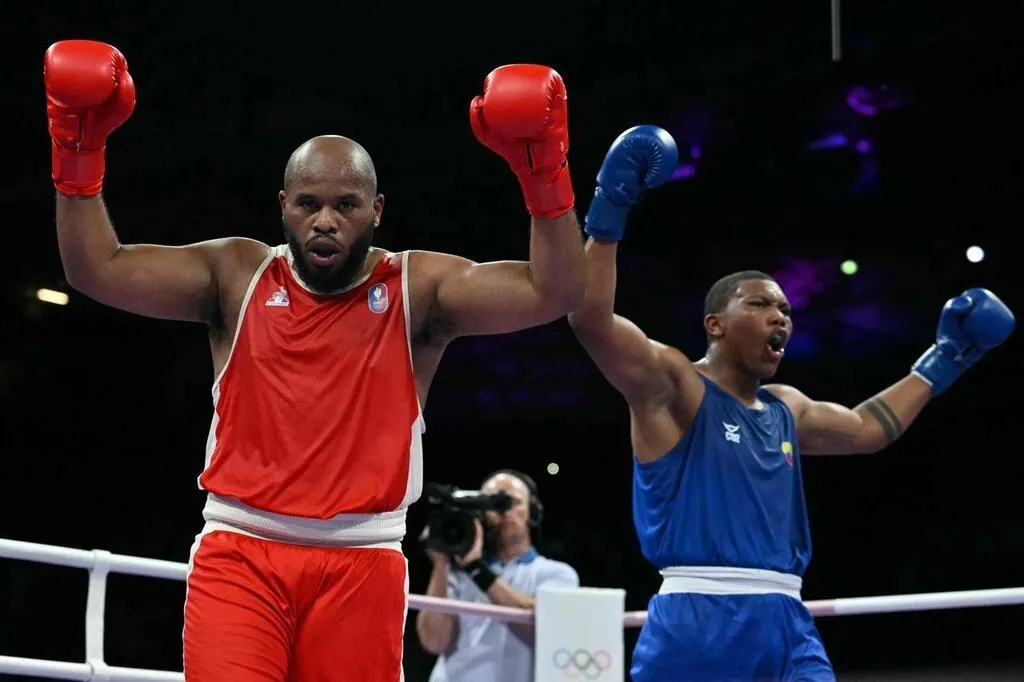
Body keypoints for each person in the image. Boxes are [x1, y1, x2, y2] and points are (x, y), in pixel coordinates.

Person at [44, 39, 586, 681]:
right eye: (308, 205)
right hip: (241, 552)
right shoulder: (236, 275)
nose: (325, 221)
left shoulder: (417, 292)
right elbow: (96, 270)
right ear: (284, 208)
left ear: (376, 211)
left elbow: (553, 292)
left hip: (364, 562)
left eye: (346, 205)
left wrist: (543, 177)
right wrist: (77, 155)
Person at [566, 125, 1015, 681]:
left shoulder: (785, 407)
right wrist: (610, 208)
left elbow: (868, 428)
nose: (782, 316)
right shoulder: (676, 387)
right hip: (700, 616)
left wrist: (946, 358)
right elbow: (589, 319)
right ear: (715, 325)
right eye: (760, 304)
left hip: (787, 617)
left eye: (786, 309)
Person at [416, 469, 579, 682]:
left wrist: (477, 568)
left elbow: (543, 626)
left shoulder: (557, 574)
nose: (504, 512)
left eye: (513, 502)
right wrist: (440, 565)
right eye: (494, 504)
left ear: (533, 511)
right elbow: (433, 642)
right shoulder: (457, 576)